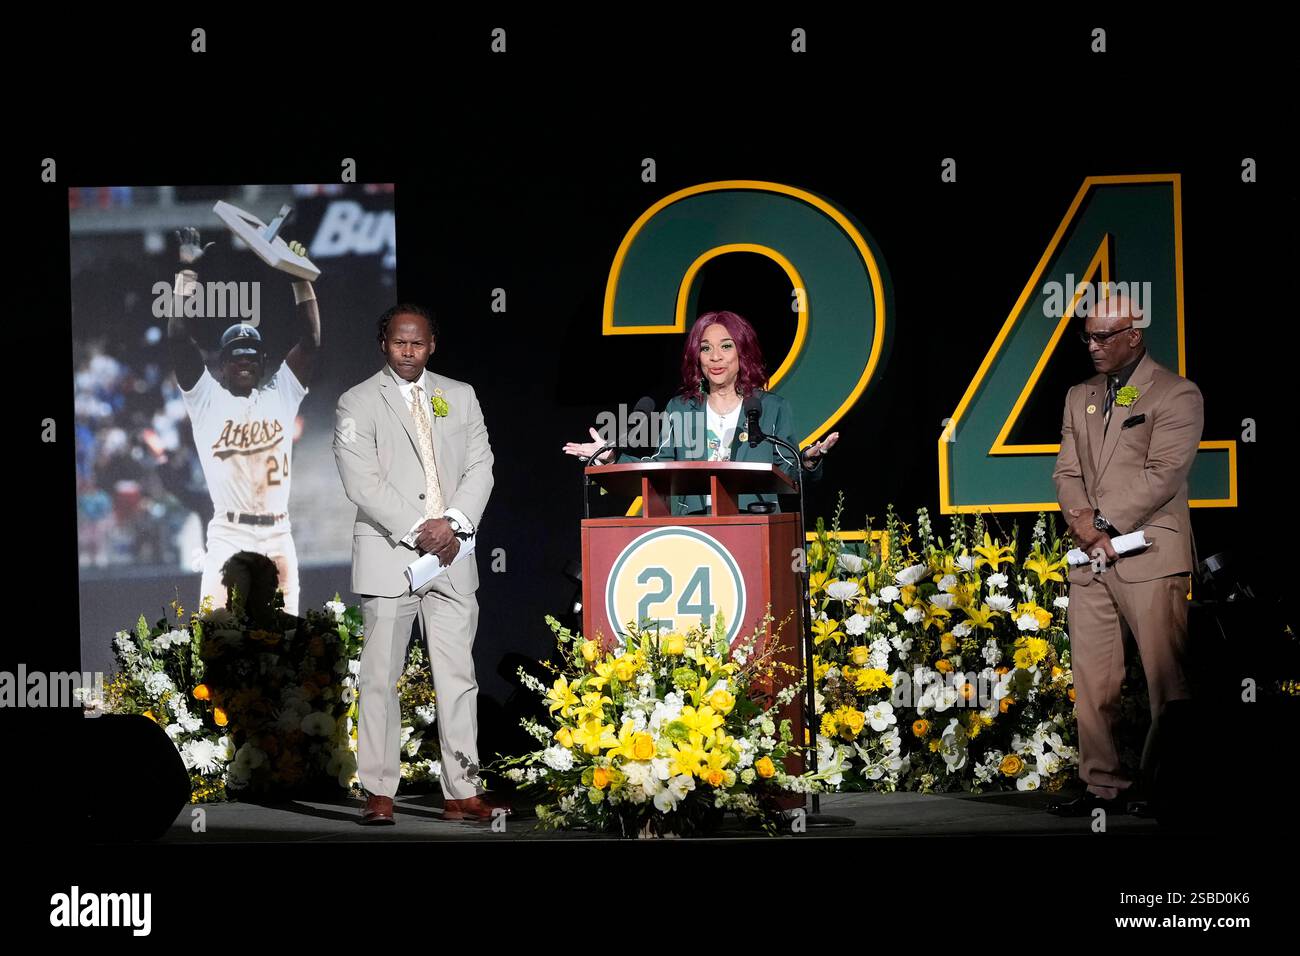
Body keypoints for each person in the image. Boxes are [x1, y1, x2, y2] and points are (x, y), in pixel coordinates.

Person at [332, 304, 502, 825]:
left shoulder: (460, 395)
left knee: (458, 676)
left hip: (452, 555)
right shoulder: (356, 401)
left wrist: (451, 523)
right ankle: (379, 791)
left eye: (418, 343)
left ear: (433, 345)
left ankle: (462, 791)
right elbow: (361, 482)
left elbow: (481, 466)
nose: (409, 351)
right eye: (399, 342)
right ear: (384, 342)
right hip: (392, 556)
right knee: (380, 678)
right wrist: (420, 529)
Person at [1048, 291, 1203, 816]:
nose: (1091, 345)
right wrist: (1089, 531)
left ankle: (1165, 786)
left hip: (1151, 553)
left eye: (1102, 336)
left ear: (1133, 336)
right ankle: (1102, 786)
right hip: (1092, 559)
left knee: (1166, 680)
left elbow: (1164, 474)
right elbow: (1067, 472)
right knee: (1094, 680)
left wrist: (1107, 524)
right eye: (1087, 336)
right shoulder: (1079, 395)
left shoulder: (1176, 393)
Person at [169, 226, 320, 616]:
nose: (245, 360)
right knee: (216, 642)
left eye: (252, 354)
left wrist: (300, 278)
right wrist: (188, 275)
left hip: (278, 533)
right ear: (221, 364)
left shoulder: (282, 394)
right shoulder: (205, 398)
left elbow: (311, 340)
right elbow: (177, 339)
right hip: (229, 534)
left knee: (285, 648)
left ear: (263, 362)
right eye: (236, 354)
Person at [562, 310, 838, 512]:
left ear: (743, 353)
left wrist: (808, 461)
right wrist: (612, 459)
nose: (715, 357)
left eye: (726, 347)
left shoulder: (771, 408)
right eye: (706, 349)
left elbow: (788, 474)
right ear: (698, 357)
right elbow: (662, 467)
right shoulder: (681, 408)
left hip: (754, 528)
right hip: (691, 531)